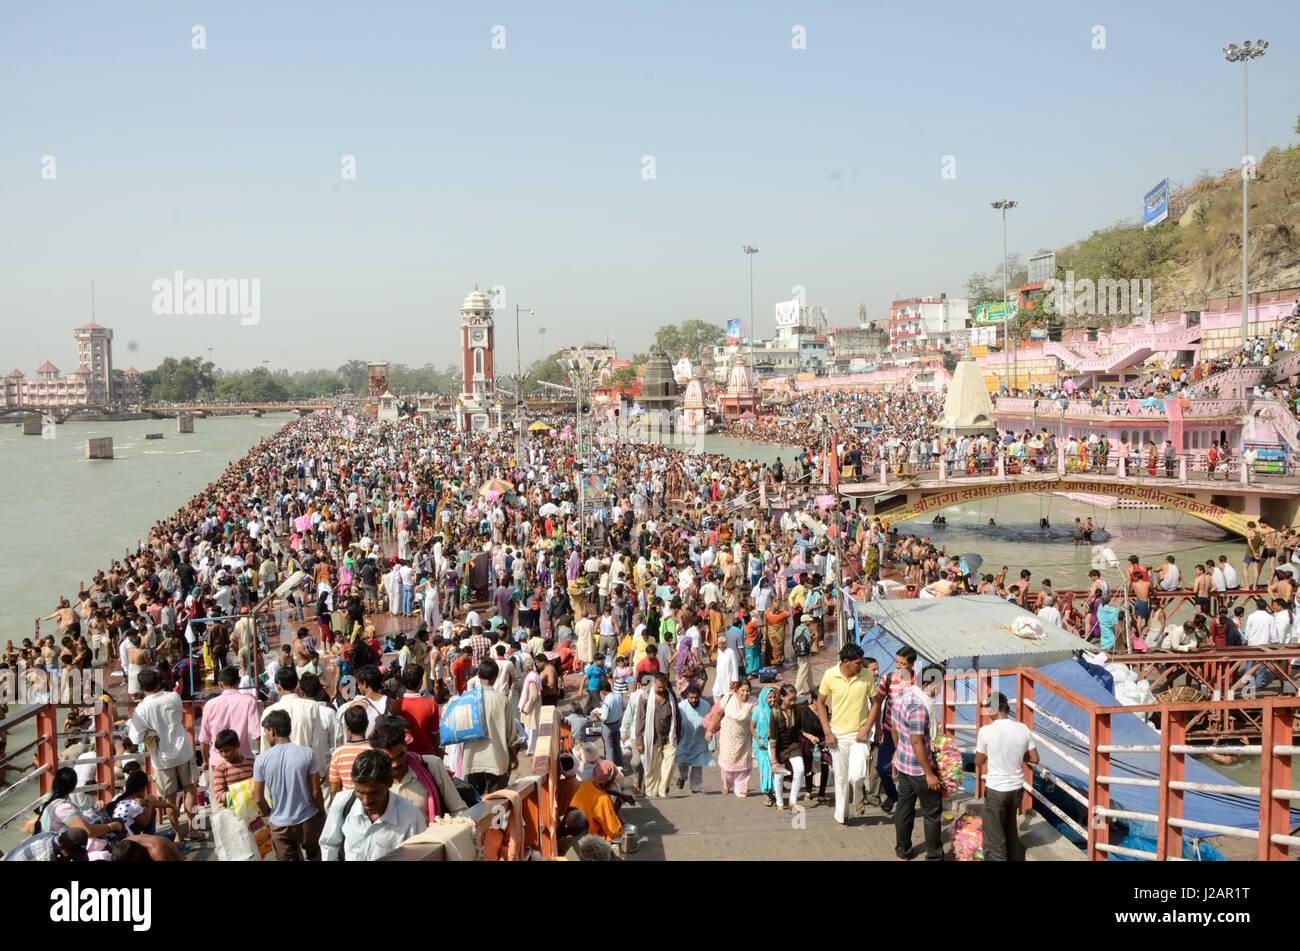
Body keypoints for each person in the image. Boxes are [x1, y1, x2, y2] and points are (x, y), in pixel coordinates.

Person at [127, 668, 201, 841]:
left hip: (161, 758)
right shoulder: (173, 697)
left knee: (169, 797)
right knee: (190, 790)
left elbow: (135, 737)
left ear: (140, 686)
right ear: (159, 682)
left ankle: (177, 835)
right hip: (183, 750)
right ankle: (193, 829)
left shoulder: (142, 708)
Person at [813, 643, 880, 827]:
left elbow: (875, 703)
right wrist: (827, 732)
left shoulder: (866, 676)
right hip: (837, 735)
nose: (861, 666)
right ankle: (842, 817)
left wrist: (868, 729)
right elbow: (820, 703)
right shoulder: (830, 675)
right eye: (857, 663)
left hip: (860, 734)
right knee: (841, 778)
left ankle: (858, 800)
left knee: (857, 775)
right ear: (845, 662)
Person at [319, 749, 428, 861]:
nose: (366, 801)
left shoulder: (411, 816)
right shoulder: (343, 802)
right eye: (360, 792)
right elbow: (329, 845)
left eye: (374, 793)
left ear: (389, 782)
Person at [253, 709, 325, 861]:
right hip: (307, 818)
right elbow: (316, 791)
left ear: (272, 731)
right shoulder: (307, 753)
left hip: (280, 824)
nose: (265, 735)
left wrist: (269, 813)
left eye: (265, 731)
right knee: (315, 854)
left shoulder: (261, 759)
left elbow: (258, 798)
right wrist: (321, 811)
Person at [974, 692, 1038, 861]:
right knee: (1010, 832)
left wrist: (989, 753)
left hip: (996, 790)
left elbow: (978, 761)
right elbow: (1035, 759)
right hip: (1016, 790)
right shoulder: (1023, 728)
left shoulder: (985, 731)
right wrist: (1018, 756)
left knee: (994, 841)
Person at [892, 668, 943, 861]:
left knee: (904, 808)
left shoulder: (900, 698)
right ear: (926, 685)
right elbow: (917, 741)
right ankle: (934, 856)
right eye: (937, 688)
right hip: (919, 768)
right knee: (932, 811)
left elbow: (895, 728)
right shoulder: (919, 708)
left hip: (904, 764)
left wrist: (898, 750)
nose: (937, 692)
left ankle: (902, 851)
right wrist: (929, 773)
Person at [460, 659, 519, 795]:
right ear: (496, 677)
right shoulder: (502, 700)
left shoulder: (467, 698)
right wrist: (514, 756)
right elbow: (511, 735)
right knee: (497, 804)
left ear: (478, 675)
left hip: (472, 759)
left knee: (474, 804)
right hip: (496, 759)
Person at [197, 666, 262, 771]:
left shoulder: (210, 704)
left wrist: (205, 761)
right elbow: (257, 734)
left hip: (217, 762)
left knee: (219, 788)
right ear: (239, 681)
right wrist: (261, 758)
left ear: (220, 684)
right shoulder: (248, 701)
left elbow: (204, 738)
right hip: (242, 761)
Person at [634, 672, 681, 799]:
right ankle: (651, 792)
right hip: (651, 739)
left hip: (669, 736)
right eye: (658, 687)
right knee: (651, 768)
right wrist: (639, 741)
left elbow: (677, 715)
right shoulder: (644, 697)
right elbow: (640, 720)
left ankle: (662, 790)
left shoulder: (671, 695)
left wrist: (678, 733)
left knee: (669, 764)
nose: (661, 689)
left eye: (663, 687)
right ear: (653, 684)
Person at [711, 678, 757, 797]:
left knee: (743, 767)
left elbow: (760, 715)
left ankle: (741, 790)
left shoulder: (753, 702)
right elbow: (717, 713)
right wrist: (709, 730)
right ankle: (727, 782)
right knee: (727, 766)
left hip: (744, 740)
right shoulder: (728, 698)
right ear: (736, 691)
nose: (745, 693)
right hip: (728, 739)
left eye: (748, 691)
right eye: (743, 690)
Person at [767, 684, 805, 811]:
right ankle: (779, 802)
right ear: (782, 697)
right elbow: (772, 739)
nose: (794, 702)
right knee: (779, 775)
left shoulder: (797, 708)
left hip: (794, 744)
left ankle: (793, 800)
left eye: (795, 699)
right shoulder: (775, 713)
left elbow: (800, 729)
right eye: (791, 700)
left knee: (799, 770)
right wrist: (773, 761)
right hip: (778, 746)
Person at [568, 759, 624, 842]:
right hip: (589, 840)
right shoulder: (603, 799)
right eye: (613, 780)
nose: (614, 782)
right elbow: (614, 831)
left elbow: (599, 790)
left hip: (572, 834)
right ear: (609, 781)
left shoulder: (586, 784)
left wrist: (618, 794)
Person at [674, 682, 713, 793]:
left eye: (696, 697)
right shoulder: (681, 707)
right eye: (691, 698)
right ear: (687, 697)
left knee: (697, 767)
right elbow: (676, 724)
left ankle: (696, 788)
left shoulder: (706, 706)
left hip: (700, 741)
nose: (694, 700)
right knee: (683, 765)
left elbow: (711, 724)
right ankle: (682, 778)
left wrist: (712, 744)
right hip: (684, 740)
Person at [328, 704, 373, 796]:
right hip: (370, 800)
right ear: (367, 723)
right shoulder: (373, 750)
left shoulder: (338, 753)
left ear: (347, 727)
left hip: (347, 803)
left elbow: (334, 789)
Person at [209, 729, 255, 809]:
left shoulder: (252, 762)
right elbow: (219, 796)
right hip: (231, 812)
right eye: (221, 751)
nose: (223, 754)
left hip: (251, 809)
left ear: (237, 745)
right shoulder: (221, 768)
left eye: (226, 750)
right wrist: (244, 792)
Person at [2, 826, 90, 862]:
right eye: (70, 854)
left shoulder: (51, 834)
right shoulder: (46, 856)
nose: (70, 858)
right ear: (61, 847)